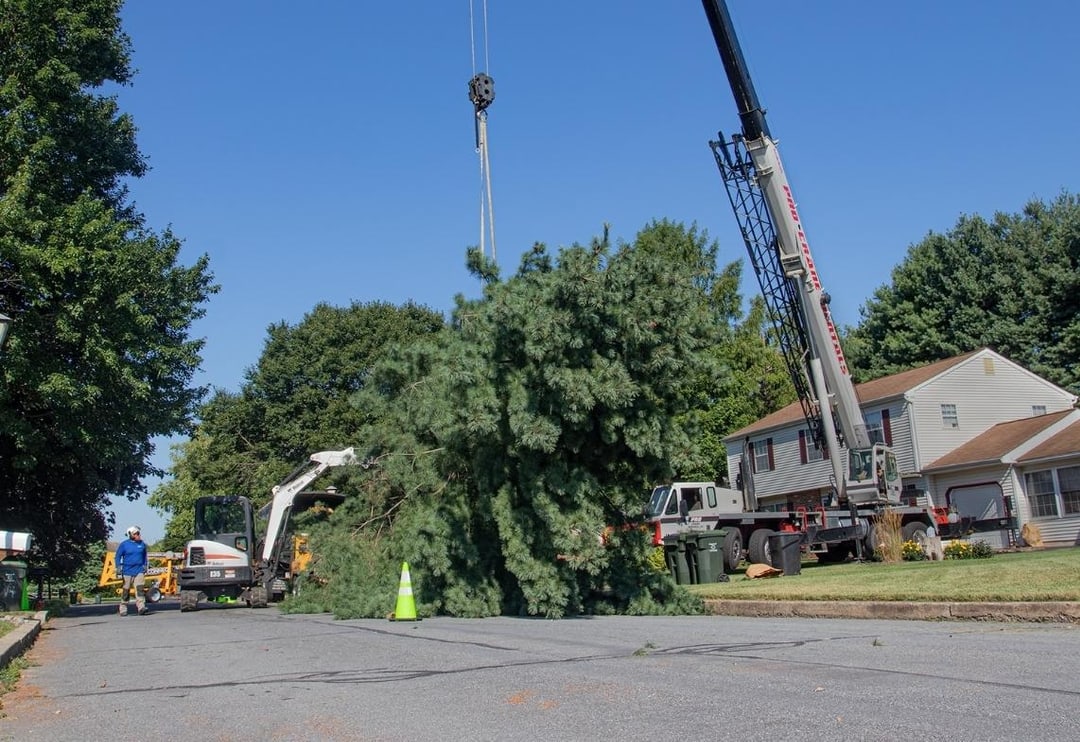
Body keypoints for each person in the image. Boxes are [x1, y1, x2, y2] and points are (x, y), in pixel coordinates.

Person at [115, 525, 149, 616]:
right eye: (136, 534)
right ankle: (123, 608)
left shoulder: (142, 544)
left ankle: (141, 607)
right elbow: (118, 556)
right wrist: (118, 567)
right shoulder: (124, 545)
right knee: (126, 590)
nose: (138, 535)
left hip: (139, 570)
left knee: (140, 589)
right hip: (127, 571)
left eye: (139, 533)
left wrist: (145, 565)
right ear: (130, 535)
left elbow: (145, 556)